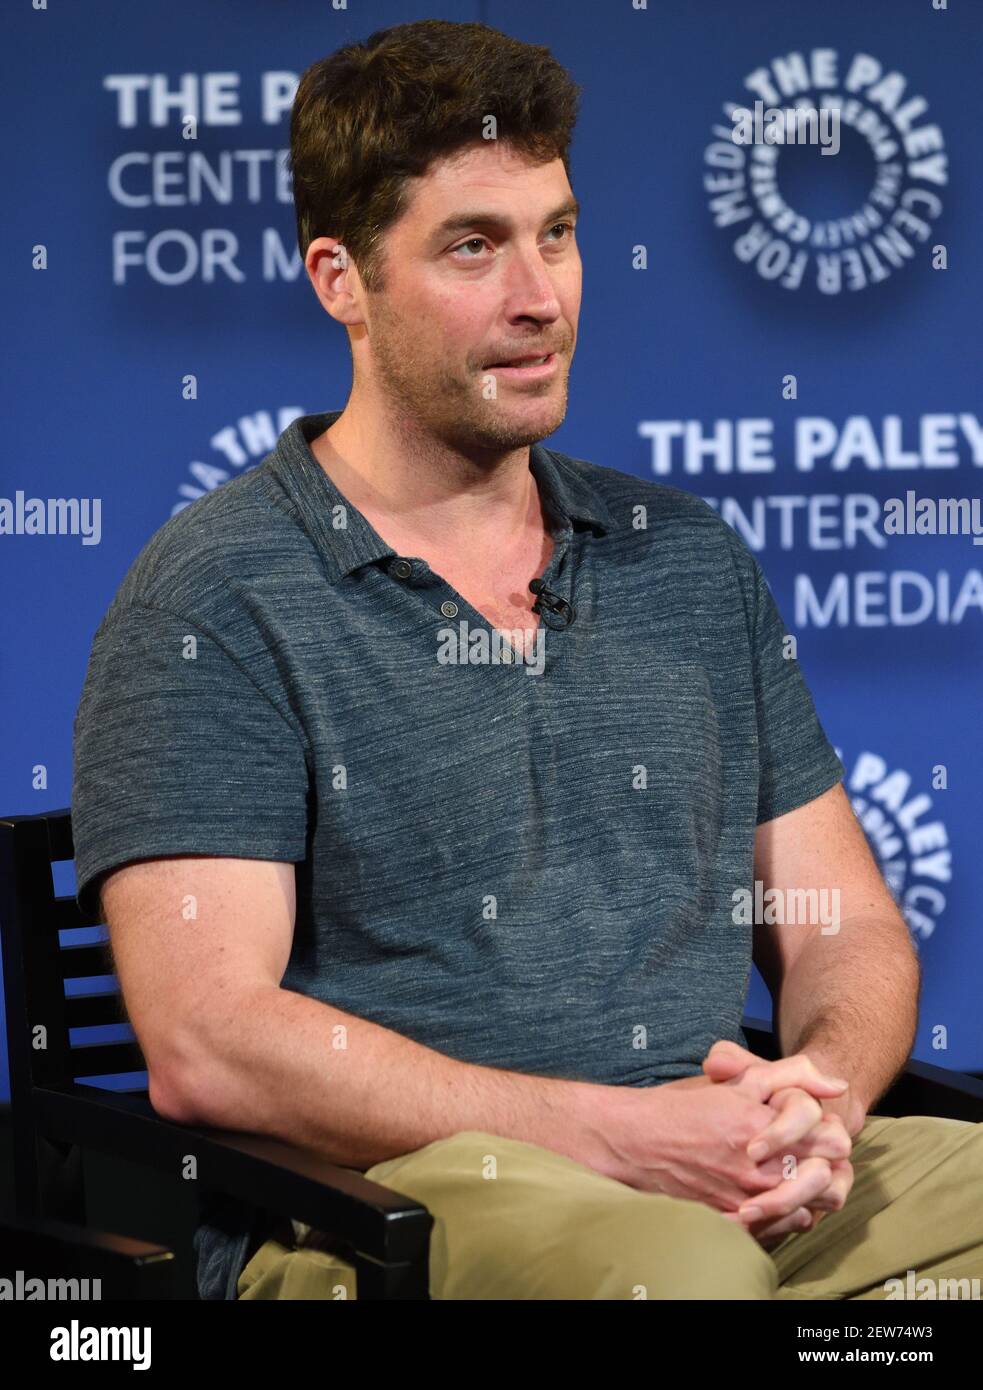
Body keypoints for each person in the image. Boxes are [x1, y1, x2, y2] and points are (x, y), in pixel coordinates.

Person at [72, 19, 983, 1301]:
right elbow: (211, 1045)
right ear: (340, 279)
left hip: (725, 1178)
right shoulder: (219, 596)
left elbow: (845, 929)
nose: (538, 296)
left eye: (554, 233)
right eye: (471, 246)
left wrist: (806, 1104)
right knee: (676, 1276)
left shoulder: (685, 560)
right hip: (386, 1209)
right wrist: (621, 1140)